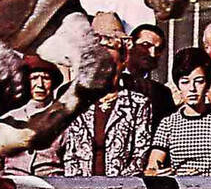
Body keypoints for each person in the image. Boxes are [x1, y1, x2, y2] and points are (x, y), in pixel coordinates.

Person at [59, 13, 152, 176]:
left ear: (123, 62)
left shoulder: (138, 103)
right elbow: (70, 153)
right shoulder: (76, 100)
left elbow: (139, 156)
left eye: (111, 65)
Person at [147, 48, 211, 176]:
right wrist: (160, 174)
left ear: (207, 84)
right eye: (185, 82)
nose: (192, 88)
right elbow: (151, 168)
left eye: (199, 81)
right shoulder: (168, 123)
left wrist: (205, 182)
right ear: (178, 85)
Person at [0, 55, 64, 177]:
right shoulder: (8, 118)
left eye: (45, 78)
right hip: (14, 184)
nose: (40, 85)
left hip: (52, 186)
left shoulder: (62, 118)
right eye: (34, 78)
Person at [122, 23, 176, 130]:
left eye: (158, 49)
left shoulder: (162, 93)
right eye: (145, 45)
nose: (152, 54)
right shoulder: (112, 82)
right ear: (129, 44)